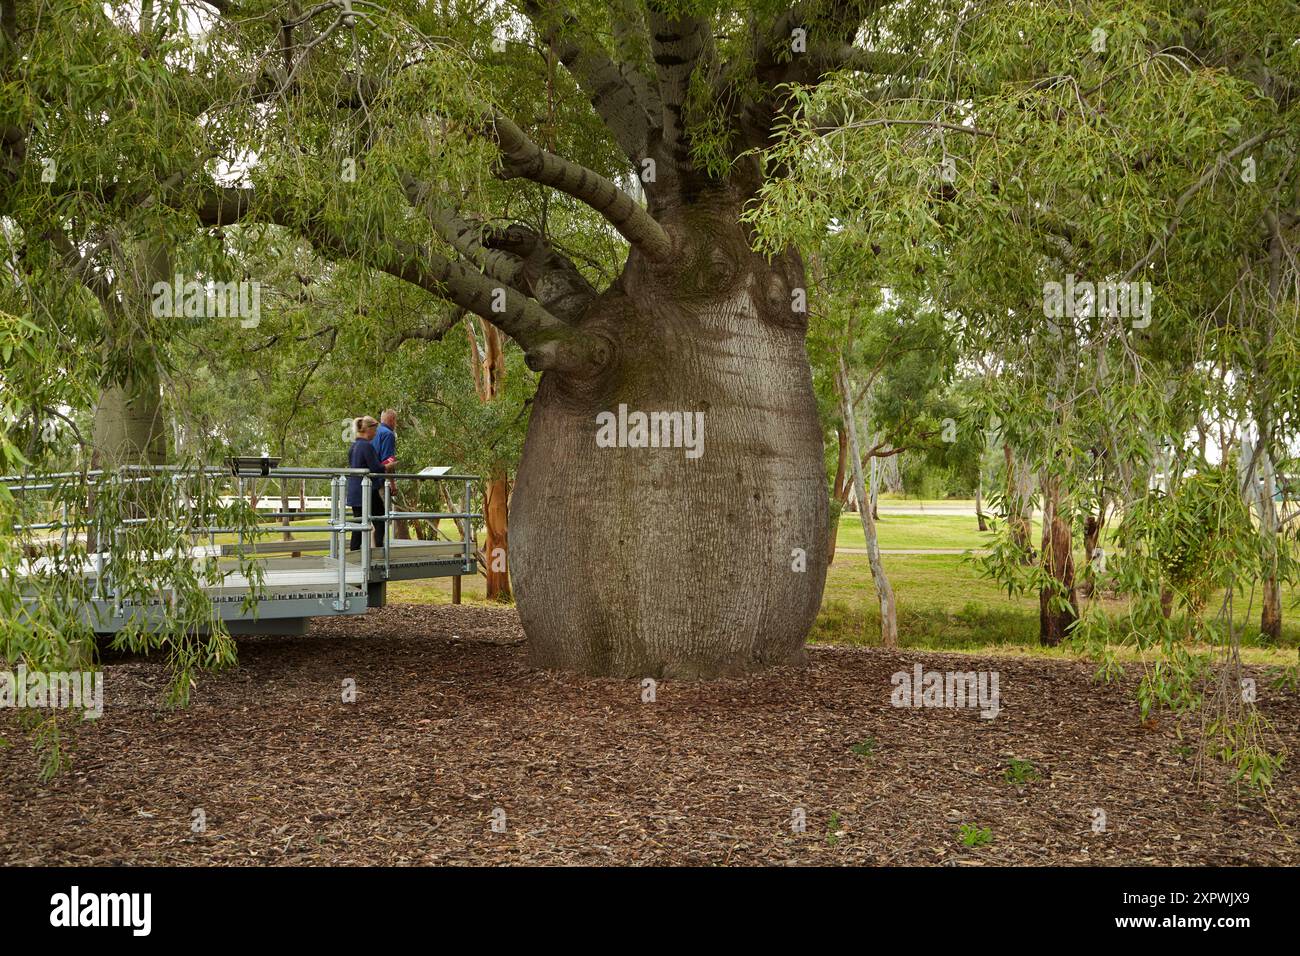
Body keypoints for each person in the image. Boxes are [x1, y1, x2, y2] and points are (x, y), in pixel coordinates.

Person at [347, 416, 386, 551]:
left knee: (359, 523)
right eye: (374, 430)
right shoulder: (366, 446)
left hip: (354, 492)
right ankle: (380, 550)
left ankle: (354, 552)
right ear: (368, 429)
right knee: (381, 518)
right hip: (367, 490)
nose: (375, 434)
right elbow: (375, 468)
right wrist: (388, 466)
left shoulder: (353, 447)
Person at [373, 408, 398, 497]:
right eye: (396, 420)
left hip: (370, 481)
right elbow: (388, 461)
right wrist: (392, 483)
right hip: (381, 481)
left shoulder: (374, 432)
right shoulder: (388, 434)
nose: (396, 423)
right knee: (384, 510)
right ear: (392, 420)